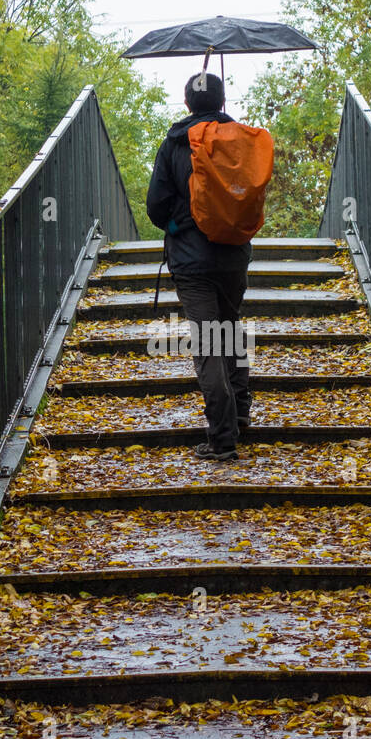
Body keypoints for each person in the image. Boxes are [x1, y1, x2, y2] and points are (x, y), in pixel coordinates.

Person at [145, 71, 251, 461]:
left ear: (187, 103)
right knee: (231, 326)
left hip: (192, 257)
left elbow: (156, 204)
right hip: (234, 253)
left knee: (207, 341)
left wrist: (175, 222)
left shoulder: (175, 142)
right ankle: (240, 411)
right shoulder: (240, 140)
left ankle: (222, 438)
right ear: (222, 103)